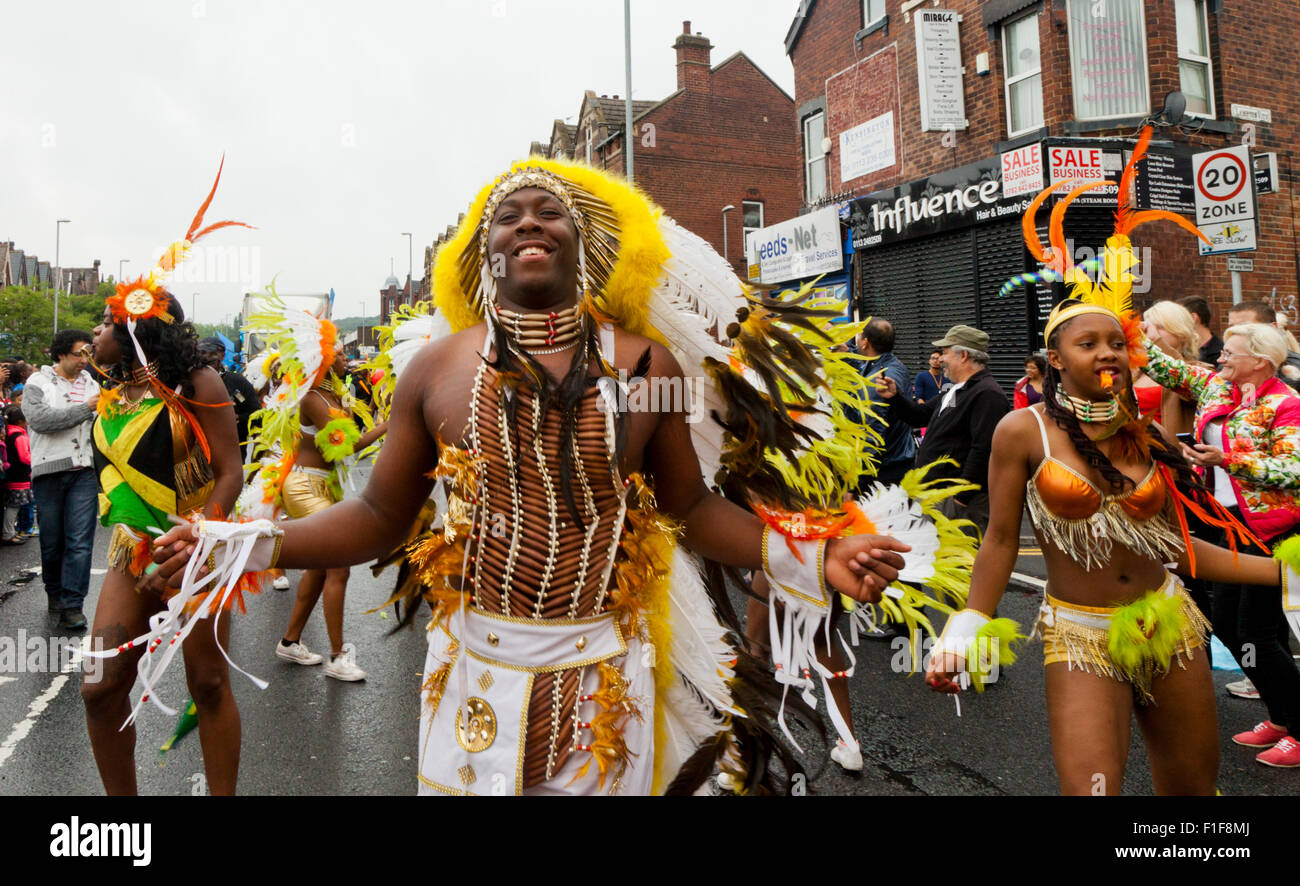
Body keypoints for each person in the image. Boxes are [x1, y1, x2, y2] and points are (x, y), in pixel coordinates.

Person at [151, 158, 940, 796]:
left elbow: (692, 509)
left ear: (581, 242)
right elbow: (378, 516)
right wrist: (242, 546)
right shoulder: (435, 370)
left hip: (605, 689)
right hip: (470, 679)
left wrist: (808, 554)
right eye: (508, 214)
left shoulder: (645, 367)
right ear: (484, 251)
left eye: (549, 211)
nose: (529, 220)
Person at [926, 140, 1289, 793]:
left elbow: (1184, 550)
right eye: (1086, 342)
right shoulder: (1022, 430)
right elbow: (1001, 539)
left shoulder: (1143, 434)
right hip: (1082, 636)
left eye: (1116, 342)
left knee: (1191, 799)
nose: (1108, 352)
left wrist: (1284, 570)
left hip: (1169, 623)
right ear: (1055, 359)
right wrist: (968, 624)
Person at [78, 161, 252, 796]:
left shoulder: (195, 384)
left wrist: (203, 531)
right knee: (99, 687)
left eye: (103, 322)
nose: (94, 333)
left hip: (197, 548)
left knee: (207, 683)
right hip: (131, 550)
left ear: (133, 330)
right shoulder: (109, 396)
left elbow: (232, 470)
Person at [1142, 320, 1300, 769]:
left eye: (1231, 353)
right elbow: (1163, 367)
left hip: (1274, 532)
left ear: (1261, 362)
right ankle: (1281, 717)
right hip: (1226, 526)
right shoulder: (1214, 387)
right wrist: (1126, 327)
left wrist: (1226, 459)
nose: (1221, 358)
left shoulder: (1285, 403)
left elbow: (1293, 468)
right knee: (1227, 626)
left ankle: (1298, 725)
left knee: (1258, 633)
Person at [269, 340, 387, 680]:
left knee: (319, 570)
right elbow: (348, 446)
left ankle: (290, 642)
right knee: (339, 567)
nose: (344, 356)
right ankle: (338, 657)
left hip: (325, 485)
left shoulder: (331, 395)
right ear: (319, 359)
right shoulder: (311, 398)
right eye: (337, 352)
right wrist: (388, 426)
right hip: (305, 486)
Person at [876, 325, 1009, 535]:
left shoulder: (987, 394)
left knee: (958, 564)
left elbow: (983, 449)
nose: (940, 359)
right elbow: (919, 415)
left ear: (963, 355)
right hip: (935, 496)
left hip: (955, 501)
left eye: (945, 353)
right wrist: (895, 397)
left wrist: (960, 499)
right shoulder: (956, 390)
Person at [24, 329, 99, 631]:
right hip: (49, 472)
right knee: (52, 542)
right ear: (61, 353)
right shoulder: (37, 383)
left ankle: (72, 605)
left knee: (79, 542)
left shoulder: (93, 384)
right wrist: (85, 409)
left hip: (84, 472)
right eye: (80, 353)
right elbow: (40, 421)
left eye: (88, 354)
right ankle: (54, 592)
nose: (85, 360)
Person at [852, 318, 914, 486]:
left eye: (858, 335)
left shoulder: (878, 378)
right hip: (899, 460)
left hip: (881, 472)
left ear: (865, 343)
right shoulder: (894, 365)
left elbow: (872, 431)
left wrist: (858, 479)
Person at [1139, 300, 1203, 434]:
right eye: (1149, 327)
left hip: (1169, 451)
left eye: (1160, 327)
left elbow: (1185, 382)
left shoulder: (1201, 371)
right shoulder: (1137, 370)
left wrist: (1157, 342)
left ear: (1182, 334)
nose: (1152, 332)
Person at [198, 337, 259, 449]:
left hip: (233, 447)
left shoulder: (237, 381)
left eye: (212, 353)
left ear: (223, 356)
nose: (206, 357)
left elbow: (258, 414)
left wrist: (238, 418)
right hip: (201, 450)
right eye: (202, 353)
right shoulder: (192, 381)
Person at [1226, 300, 1300, 389]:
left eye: (1245, 327)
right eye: (1231, 327)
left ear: (1272, 327)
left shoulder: (1295, 367)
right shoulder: (1226, 361)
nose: (1235, 332)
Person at [3, 406, 32, 544]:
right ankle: (8, 533)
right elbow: (25, 457)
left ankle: (11, 531)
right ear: (21, 421)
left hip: (12, 475)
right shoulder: (19, 436)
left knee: (13, 506)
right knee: (14, 506)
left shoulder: (9, 434)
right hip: (19, 477)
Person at [1177, 296, 1222, 366]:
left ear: (1193, 317)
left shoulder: (1221, 354)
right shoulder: (1180, 349)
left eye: (1177, 317)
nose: (1173, 322)